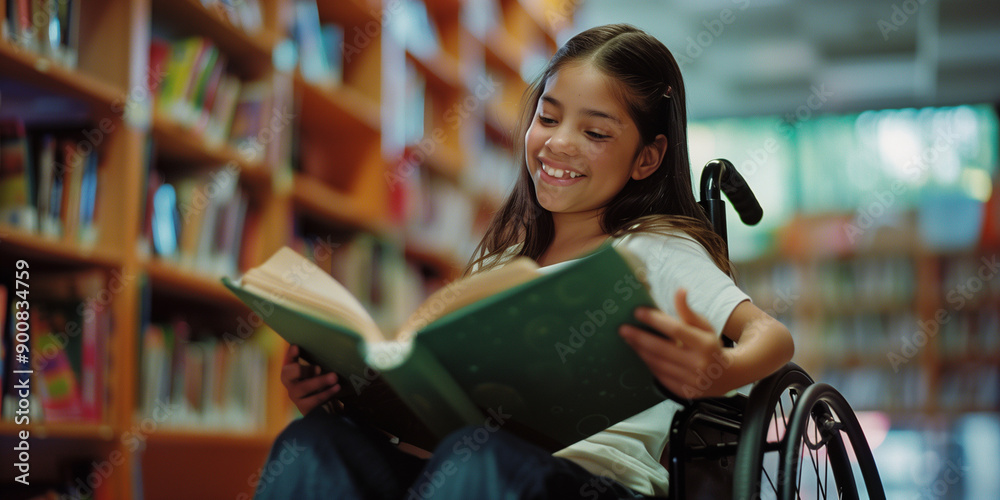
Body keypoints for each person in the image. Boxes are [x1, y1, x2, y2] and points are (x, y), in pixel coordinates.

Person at [258, 23, 794, 499]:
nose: (557, 144)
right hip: (446, 467)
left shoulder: (655, 248)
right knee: (313, 443)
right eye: (548, 117)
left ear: (648, 157)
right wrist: (341, 399)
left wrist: (719, 371)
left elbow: (772, 338)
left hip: (584, 480)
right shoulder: (503, 262)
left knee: (477, 458)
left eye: (595, 132)